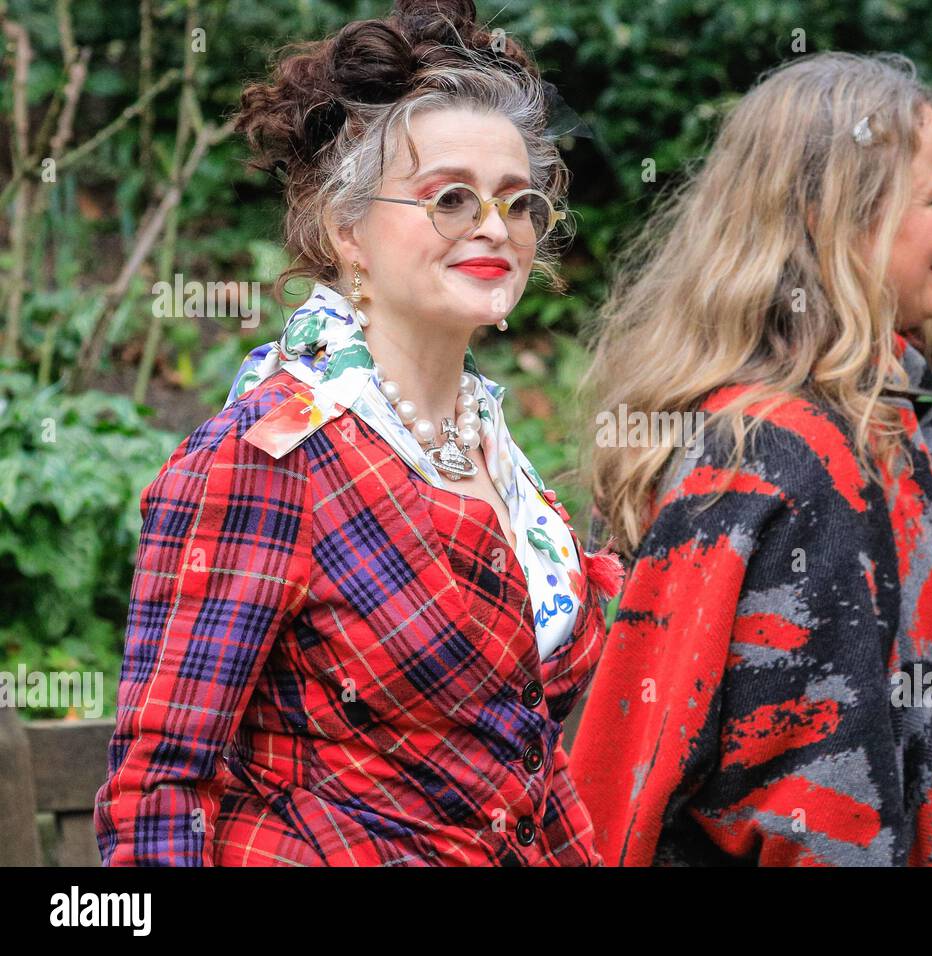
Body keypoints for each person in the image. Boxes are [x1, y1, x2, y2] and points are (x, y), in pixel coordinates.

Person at [94, 0, 620, 866]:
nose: (495, 226)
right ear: (347, 231)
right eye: (450, 197)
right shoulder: (268, 456)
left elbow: (518, 760)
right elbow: (161, 792)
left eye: (519, 202)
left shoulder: (494, 448)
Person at [570, 51, 932, 866]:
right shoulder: (780, 457)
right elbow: (800, 805)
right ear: (832, 219)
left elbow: (900, 684)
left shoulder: (899, 409)